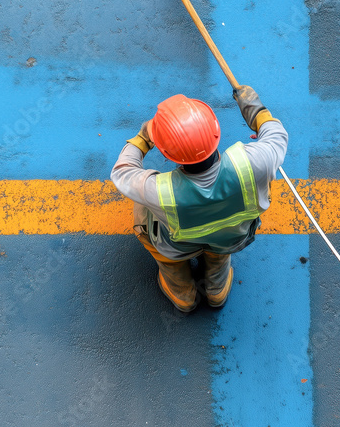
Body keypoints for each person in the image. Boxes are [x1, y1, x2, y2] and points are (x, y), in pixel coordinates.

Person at [110, 86, 288, 312]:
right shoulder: (256, 162)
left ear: (167, 153)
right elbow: (276, 133)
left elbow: (122, 173)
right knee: (219, 254)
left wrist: (143, 137)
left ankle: (183, 294)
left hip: (177, 245)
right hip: (232, 237)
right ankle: (216, 290)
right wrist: (253, 107)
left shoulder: (160, 190)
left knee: (141, 208)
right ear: (216, 131)